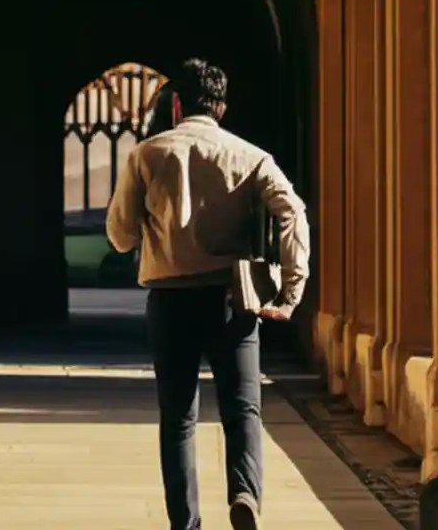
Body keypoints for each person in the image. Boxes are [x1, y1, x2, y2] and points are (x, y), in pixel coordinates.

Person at [106, 58, 310, 530]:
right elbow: (292, 212)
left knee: (178, 417)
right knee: (243, 409)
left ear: (177, 104)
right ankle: (244, 494)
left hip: (170, 300)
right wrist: (291, 289)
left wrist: (150, 229)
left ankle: (186, 522)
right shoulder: (250, 156)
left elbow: (119, 235)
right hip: (233, 299)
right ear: (221, 107)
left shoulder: (146, 155)